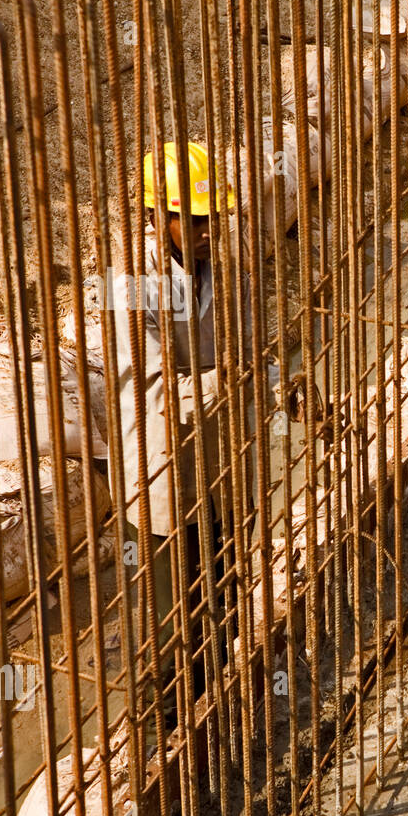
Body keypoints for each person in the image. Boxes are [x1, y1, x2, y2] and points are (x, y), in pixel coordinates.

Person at [111, 141, 249, 709]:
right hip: (161, 479)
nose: (203, 229)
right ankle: (168, 750)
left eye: (210, 216)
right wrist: (231, 381)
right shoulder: (135, 284)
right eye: (188, 219)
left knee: (225, 607)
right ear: (154, 215)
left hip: (219, 465)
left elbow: (241, 341)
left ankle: (227, 716)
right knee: (169, 636)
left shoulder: (222, 261)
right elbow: (153, 391)